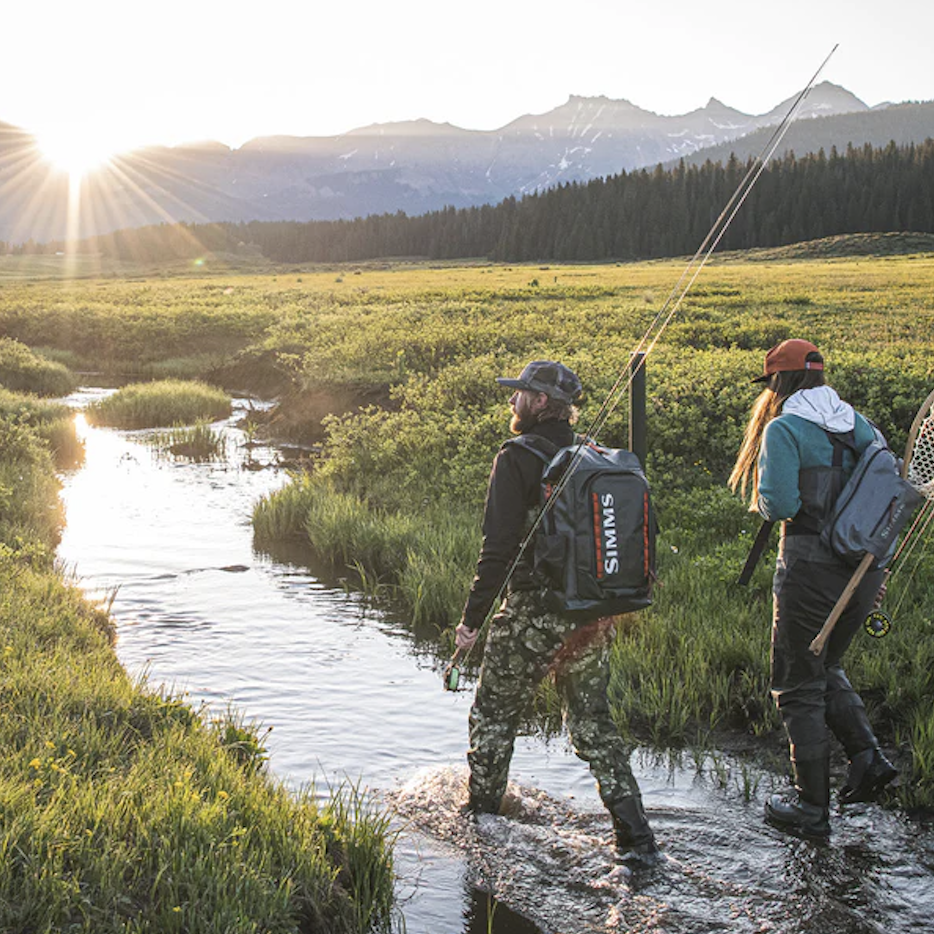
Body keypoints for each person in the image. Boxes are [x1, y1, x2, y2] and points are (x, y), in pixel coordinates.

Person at [454, 360, 659, 866]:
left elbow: (496, 550)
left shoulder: (516, 457)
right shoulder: (590, 453)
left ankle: (481, 826)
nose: (513, 400)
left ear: (541, 402)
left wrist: (470, 623)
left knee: (493, 718)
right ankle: (635, 838)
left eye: (521, 393)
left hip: (531, 615)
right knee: (593, 727)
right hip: (591, 616)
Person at [730, 339, 898, 839]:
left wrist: (767, 489)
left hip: (811, 572)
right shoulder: (864, 425)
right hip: (864, 575)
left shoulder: (784, 429)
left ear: (779, 383)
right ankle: (868, 759)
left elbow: (778, 505)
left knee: (797, 681)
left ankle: (810, 808)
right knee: (826, 665)